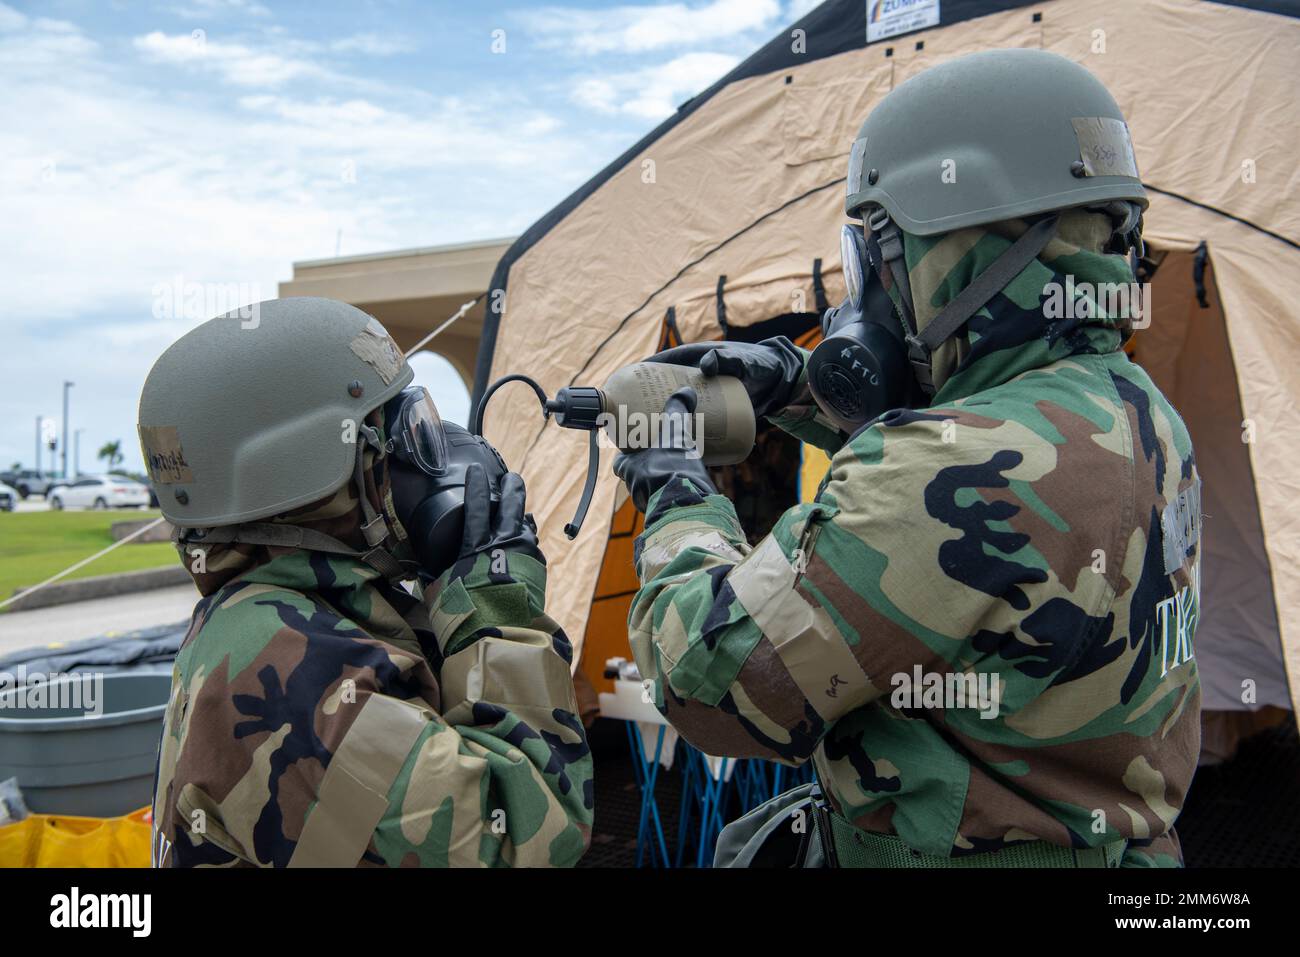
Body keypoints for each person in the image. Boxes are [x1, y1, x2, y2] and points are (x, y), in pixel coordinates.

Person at [612, 49, 1201, 868]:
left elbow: (707, 678)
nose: (874, 294)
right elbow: (982, 451)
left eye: (883, 255)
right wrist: (794, 389)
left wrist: (675, 489)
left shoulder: (935, 470)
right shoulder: (1139, 410)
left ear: (954, 250)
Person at [139, 297, 592, 867]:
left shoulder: (284, 614)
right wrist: (493, 610)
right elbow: (527, 834)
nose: (433, 458)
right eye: (404, 435)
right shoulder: (290, 662)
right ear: (312, 476)